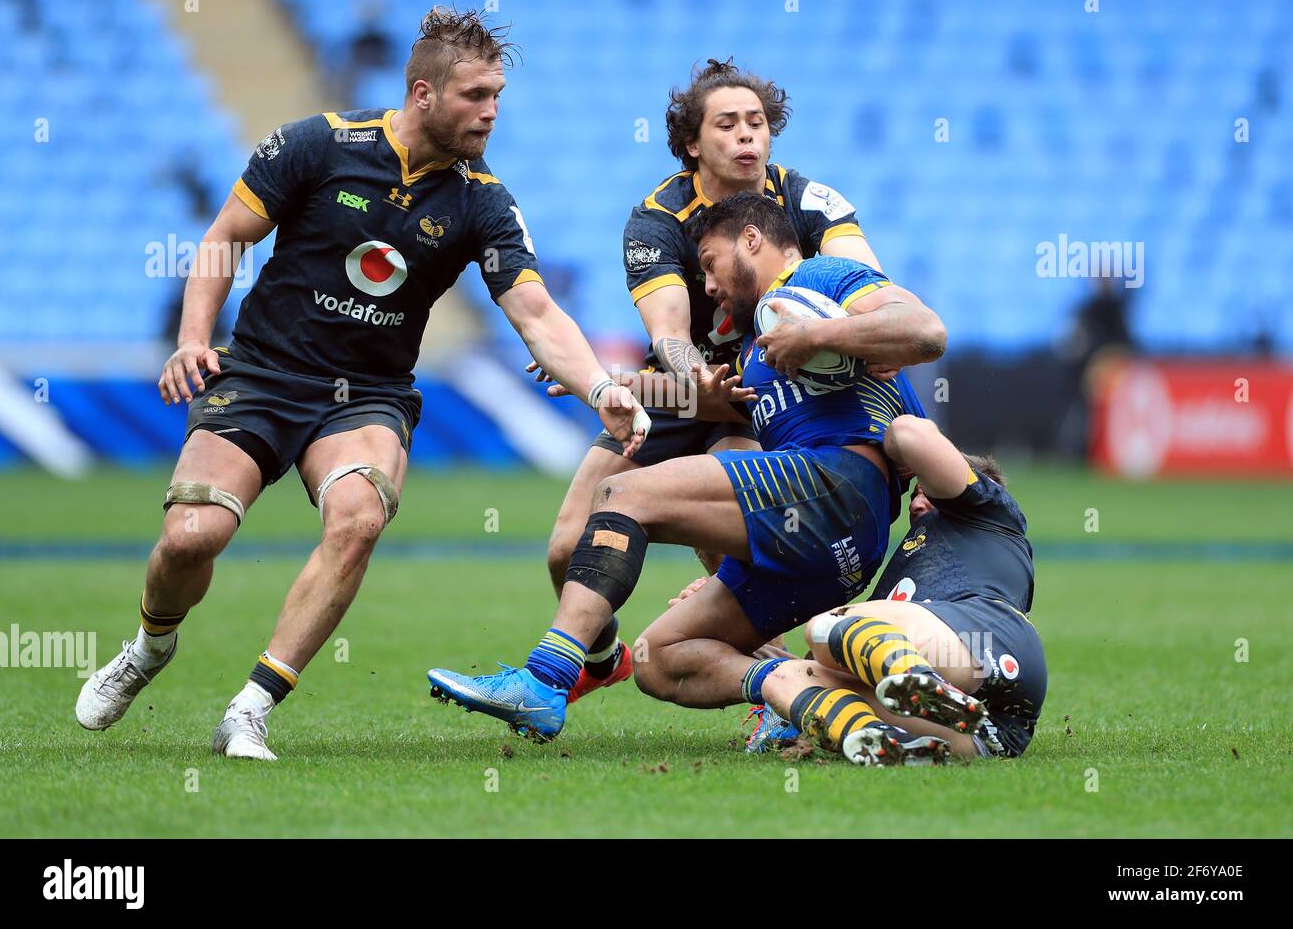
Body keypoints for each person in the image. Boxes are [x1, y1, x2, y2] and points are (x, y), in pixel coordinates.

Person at [74, 7, 648, 761]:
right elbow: (225, 239)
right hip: (262, 373)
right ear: (422, 93)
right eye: (476, 95)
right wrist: (190, 340)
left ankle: (249, 709)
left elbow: (537, 313)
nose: (491, 112)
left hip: (366, 395)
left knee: (358, 517)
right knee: (192, 536)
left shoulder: (484, 201)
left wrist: (603, 389)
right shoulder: (316, 144)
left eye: (498, 96)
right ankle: (149, 649)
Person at [427, 191, 945, 741]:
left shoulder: (822, 277)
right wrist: (598, 381)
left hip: (838, 481)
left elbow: (926, 330)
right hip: (838, 554)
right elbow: (702, 400)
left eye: (710, 264)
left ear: (752, 238)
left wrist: (814, 334)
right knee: (662, 659)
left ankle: (544, 680)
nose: (711, 287)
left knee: (622, 495)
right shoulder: (754, 352)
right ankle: (796, 695)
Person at [543, 58, 892, 703]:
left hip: (771, 392)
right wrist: (686, 382)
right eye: (727, 125)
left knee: (731, 517)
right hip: (685, 387)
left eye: (757, 124)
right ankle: (602, 658)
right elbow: (670, 336)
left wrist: (861, 333)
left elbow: (872, 286)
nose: (746, 138)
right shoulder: (656, 220)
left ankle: (778, 686)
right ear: (691, 145)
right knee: (567, 549)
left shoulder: (810, 202)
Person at [740, 414, 1046, 766]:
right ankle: (887, 743)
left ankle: (920, 682)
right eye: (913, 496)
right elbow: (838, 665)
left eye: (927, 492)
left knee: (824, 628)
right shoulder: (897, 583)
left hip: (987, 636)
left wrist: (885, 448)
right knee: (783, 678)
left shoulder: (987, 510)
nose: (916, 503)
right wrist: (758, 648)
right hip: (988, 730)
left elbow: (909, 431)